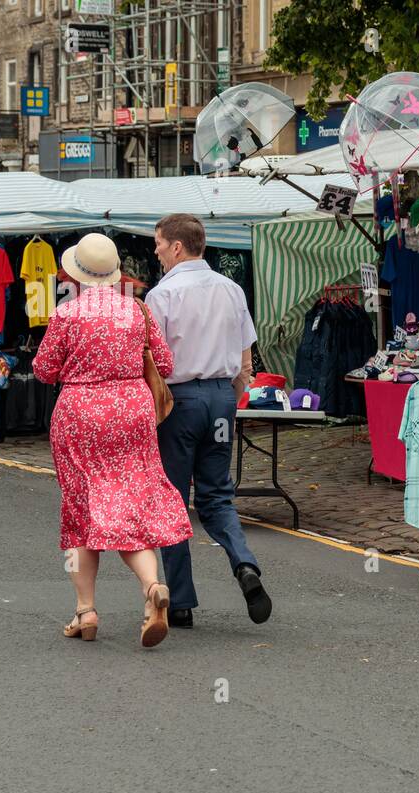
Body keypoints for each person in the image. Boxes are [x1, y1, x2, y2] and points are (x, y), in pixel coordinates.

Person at [33, 233, 192, 649]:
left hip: (81, 413)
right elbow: (166, 364)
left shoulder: (67, 315)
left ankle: (86, 611)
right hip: (132, 411)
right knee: (131, 504)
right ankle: (152, 586)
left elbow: (44, 370)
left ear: (75, 273)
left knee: (83, 509)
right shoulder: (135, 310)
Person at [146, 213, 271, 627]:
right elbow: (245, 360)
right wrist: (230, 401)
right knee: (217, 495)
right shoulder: (232, 289)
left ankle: (181, 602)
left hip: (178, 400)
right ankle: (244, 564)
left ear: (177, 246)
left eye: (160, 244)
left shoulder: (161, 296)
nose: (157, 251)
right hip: (220, 397)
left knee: (173, 500)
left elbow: (153, 365)